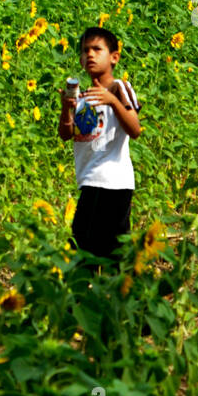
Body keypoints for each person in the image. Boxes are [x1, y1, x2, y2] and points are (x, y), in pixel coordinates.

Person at [57, 25, 141, 275]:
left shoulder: (118, 88)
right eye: (85, 51)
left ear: (114, 57)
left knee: (88, 254)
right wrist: (66, 108)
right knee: (97, 253)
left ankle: (92, 305)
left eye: (97, 49)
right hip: (90, 182)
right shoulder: (82, 97)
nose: (90, 55)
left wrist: (112, 101)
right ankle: (108, 304)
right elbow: (67, 135)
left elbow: (135, 129)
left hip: (111, 184)